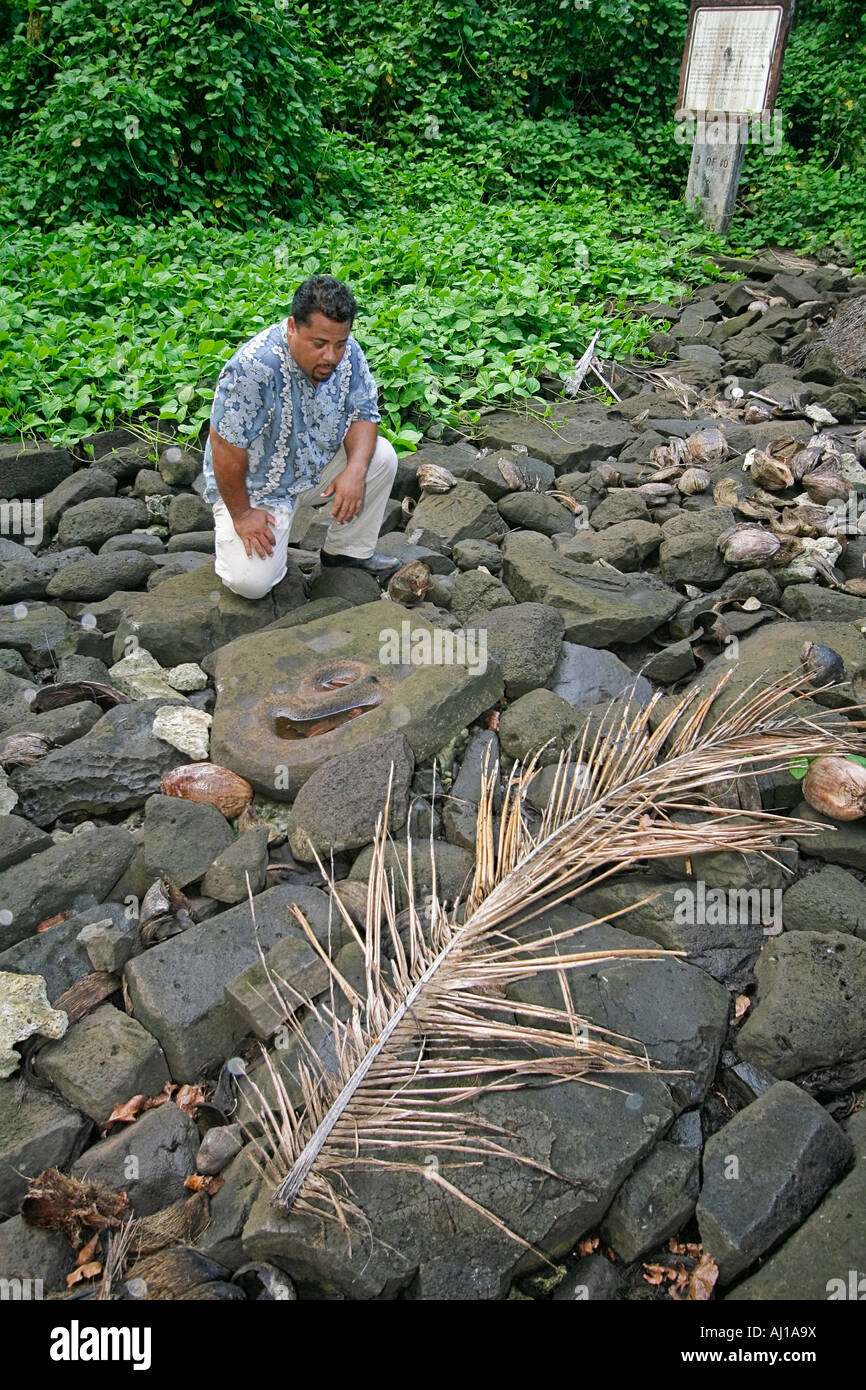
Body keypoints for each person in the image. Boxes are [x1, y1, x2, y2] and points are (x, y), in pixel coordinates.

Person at [202, 274, 401, 599]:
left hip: (313, 469)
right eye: (319, 344)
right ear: (293, 327)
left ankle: (346, 552)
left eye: (339, 343)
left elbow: (364, 414)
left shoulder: (349, 353)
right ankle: (264, 537)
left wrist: (354, 470)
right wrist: (242, 515)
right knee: (250, 584)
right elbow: (225, 446)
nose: (331, 356)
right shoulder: (253, 369)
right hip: (257, 489)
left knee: (381, 457)